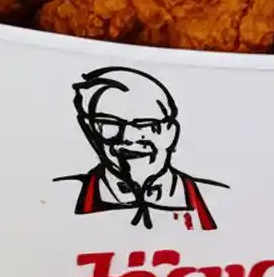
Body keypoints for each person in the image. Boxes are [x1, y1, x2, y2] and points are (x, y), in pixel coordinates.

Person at [55, 67, 227, 231]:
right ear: (89, 130)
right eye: (109, 124)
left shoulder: (220, 198)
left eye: (147, 125)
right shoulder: (60, 196)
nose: (129, 138)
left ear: (170, 132)